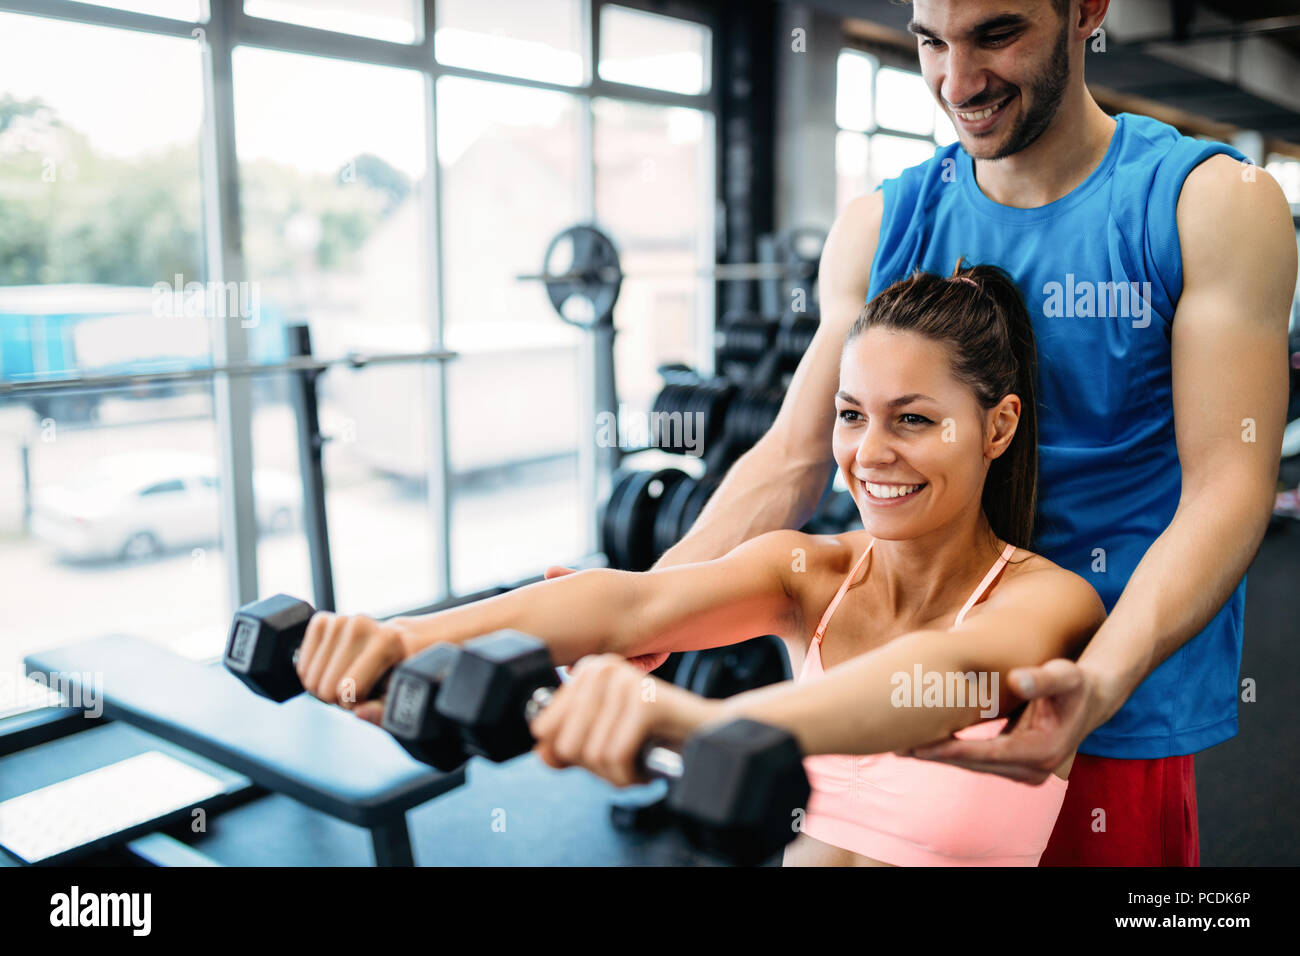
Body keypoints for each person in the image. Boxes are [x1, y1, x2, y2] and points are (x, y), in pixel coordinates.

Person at [642, 0, 1297, 865]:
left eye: (997, 34)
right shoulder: (882, 223)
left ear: (1086, 11)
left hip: (1105, 697)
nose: (958, 82)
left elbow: (1229, 487)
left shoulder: (1208, 204)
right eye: (929, 42)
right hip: (907, 688)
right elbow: (793, 456)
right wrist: (649, 611)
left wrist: (1094, 686)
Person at [295, 262, 1107, 867]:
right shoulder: (809, 573)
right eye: (852, 415)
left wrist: (715, 728)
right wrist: (402, 638)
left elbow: (934, 678)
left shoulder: (1052, 603)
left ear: (997, 429)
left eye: (916, 419)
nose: (871, 452)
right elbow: (626, 607)